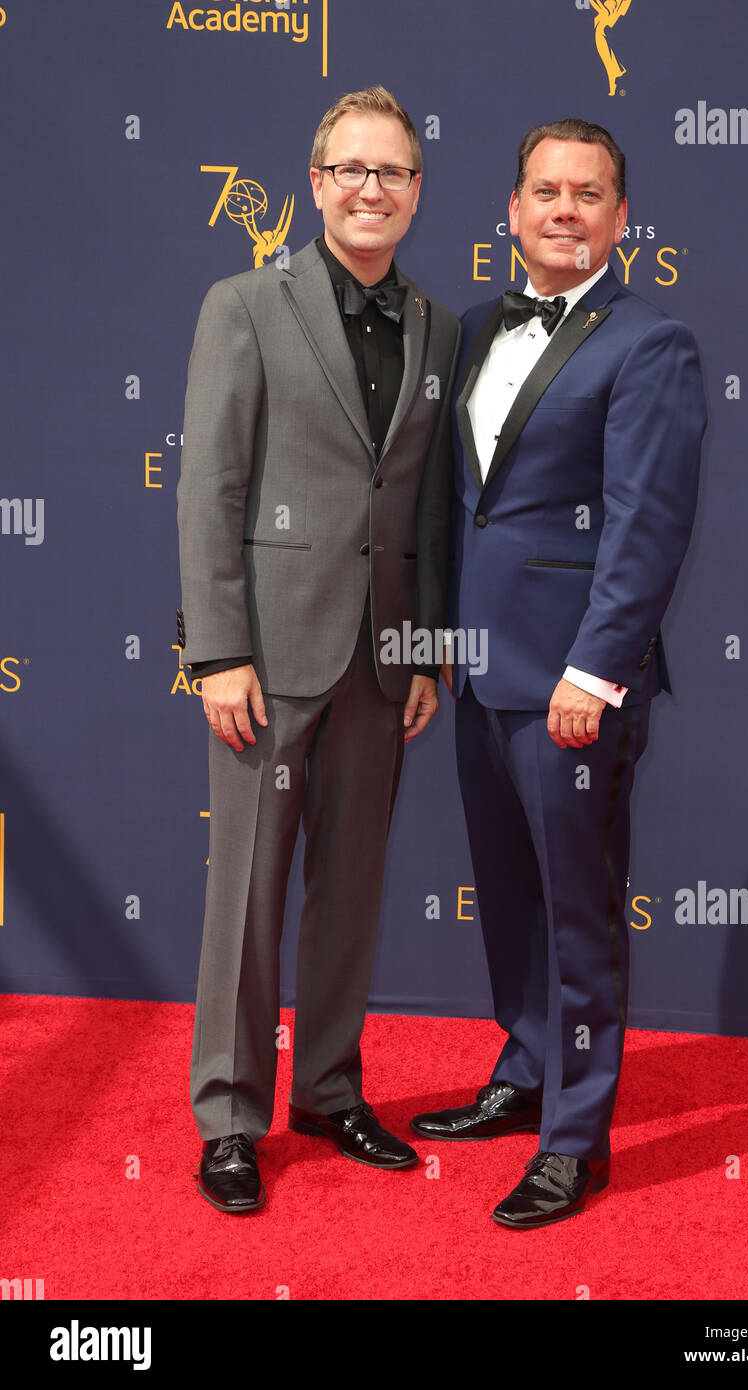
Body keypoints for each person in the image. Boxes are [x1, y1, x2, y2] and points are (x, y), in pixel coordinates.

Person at [411, 118, 706, 1229]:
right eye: (545, 191)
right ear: (512, 210)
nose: (564, 210)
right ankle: (524, 1070)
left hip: (572, 684)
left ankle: (573, 1138)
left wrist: (596, 670)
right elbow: (459, 509)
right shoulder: (480, 325)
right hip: (483, 672)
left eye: (588, 194)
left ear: (620, 219)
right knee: (512, 903)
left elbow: (646, 526)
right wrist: (436, 647)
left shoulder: (649, 342)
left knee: (577, 913)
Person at [177, 86, 460, 1213]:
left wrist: (429, 649)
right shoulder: (244, 303)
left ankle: (330, 1089)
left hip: (384, 661)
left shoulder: (437, 325)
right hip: (269, 655)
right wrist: (217, 652)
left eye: (391, 172)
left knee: (350, 891)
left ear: (417, 193)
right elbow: (209, 487)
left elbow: (428, 504)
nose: (370, 189)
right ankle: (231, 1116)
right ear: (314, 181)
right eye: (350, 169)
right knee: (244, 895)